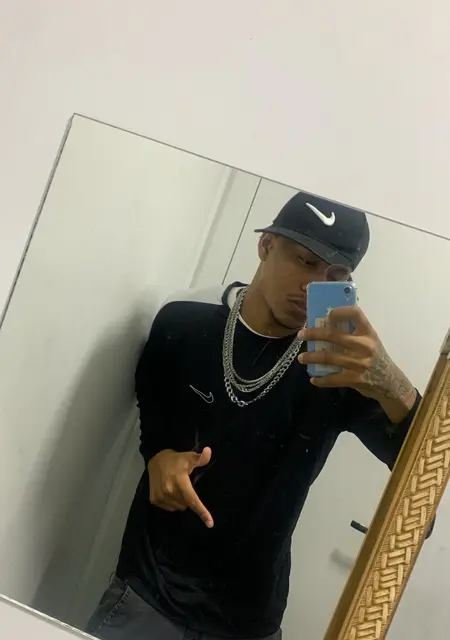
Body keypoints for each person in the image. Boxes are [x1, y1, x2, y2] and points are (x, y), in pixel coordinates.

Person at [86, 192, 420, 640]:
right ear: (265, 246)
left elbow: (427, 469)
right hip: (148, 592)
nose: (313, 286)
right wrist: (157, 456)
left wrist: (393, 385)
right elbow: (154, 410)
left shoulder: (339, 371)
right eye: (305, 261)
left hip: (248, 621)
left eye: (335, 276)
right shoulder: (183, 326)